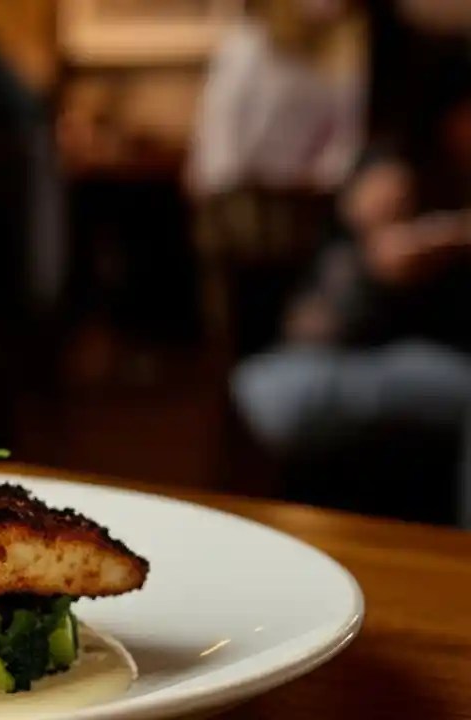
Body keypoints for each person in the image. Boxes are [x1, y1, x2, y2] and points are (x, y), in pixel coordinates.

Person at [232, 149, 471, 525]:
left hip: (439, 356)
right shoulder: (394, 168)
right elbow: (312, 326)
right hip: (347, 344)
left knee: (279, 391)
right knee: (274, 388)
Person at [188, 0, 366, 355]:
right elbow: (220, 130)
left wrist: (324, 175)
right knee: (247, 318)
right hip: (245, 204)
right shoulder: (249, 45)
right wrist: (227, 187)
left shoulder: (343, 53)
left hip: (308, 205)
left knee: (301, 317)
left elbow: (347, 135)